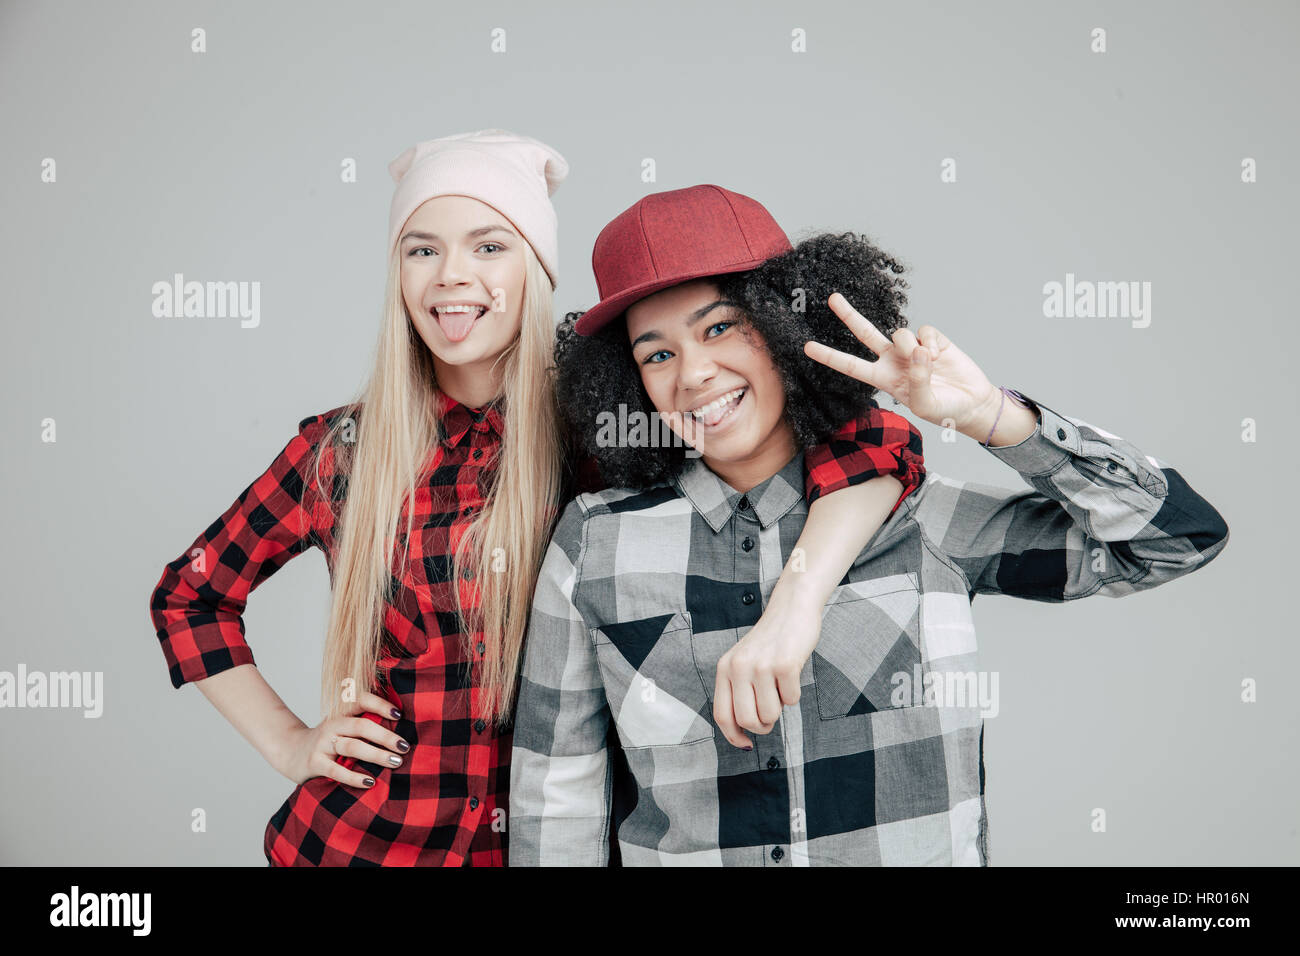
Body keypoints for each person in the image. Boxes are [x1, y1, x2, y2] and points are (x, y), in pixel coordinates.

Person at [147, 134, 926, 867]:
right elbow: (189, 598)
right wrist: (290, 744)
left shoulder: (613, 428)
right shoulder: (337, 455)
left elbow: (862, 443)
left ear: (535, 270)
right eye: (424, 249)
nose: (452, 275)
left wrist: (797, 601)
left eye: (489, 245)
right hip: (370, 844)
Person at [508, 183, 1230, 865]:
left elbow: (1175, 538)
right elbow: (556, 806)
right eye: (658, 354)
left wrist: (992, 418)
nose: (692, 374)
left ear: (787, 324)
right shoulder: (596, 543)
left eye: (721, 327)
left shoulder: (920, 517)